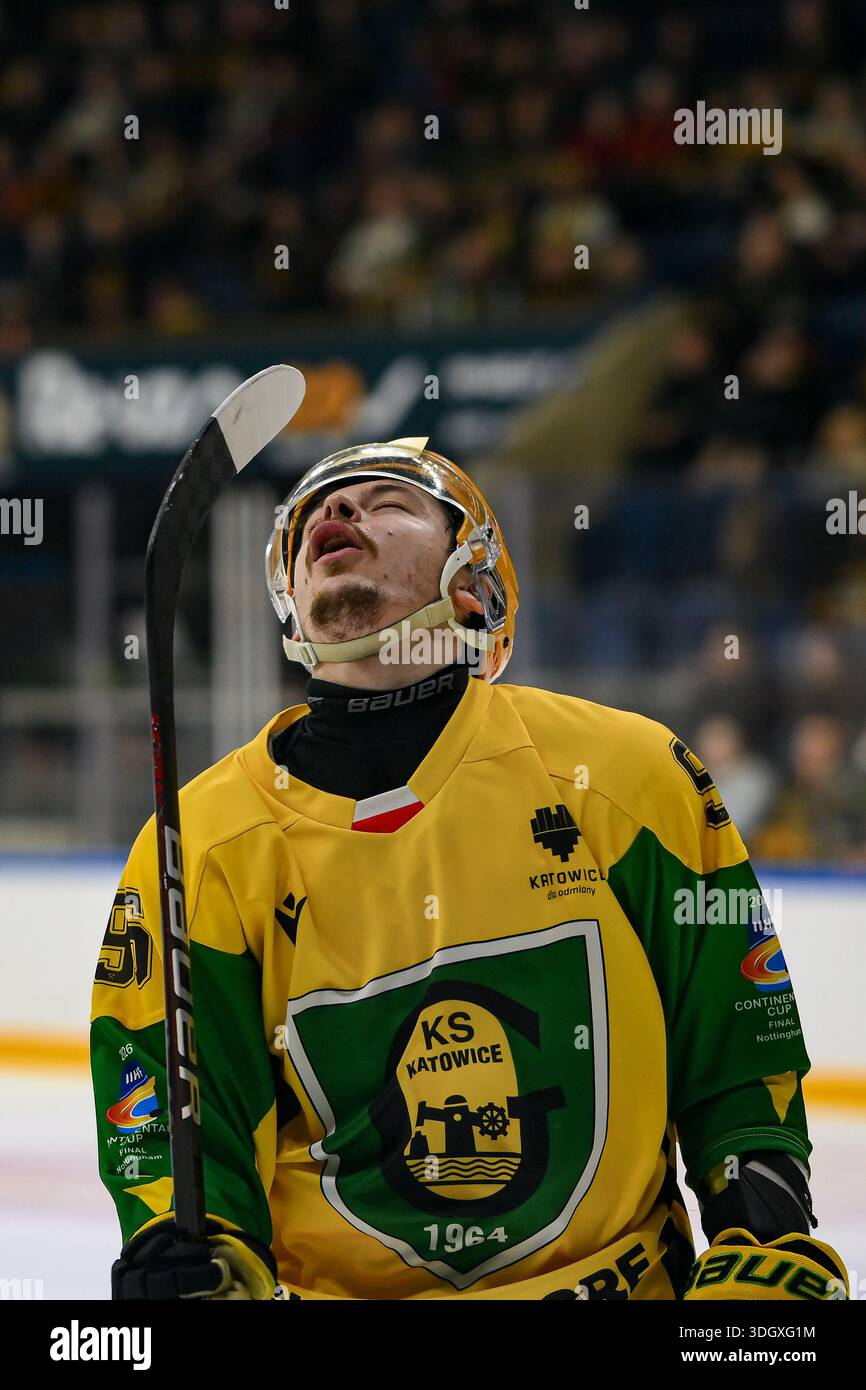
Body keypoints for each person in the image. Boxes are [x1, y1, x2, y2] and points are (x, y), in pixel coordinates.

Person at [91, 437, 847, 1301]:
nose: (335, 515)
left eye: (388, 503)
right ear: (293, 606)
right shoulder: (203, 845)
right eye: (316, 516)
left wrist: (767, 1237)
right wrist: (186, 1257)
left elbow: (736, 1050)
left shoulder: (627, 775)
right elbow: (175, 1122)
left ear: (472, 578)